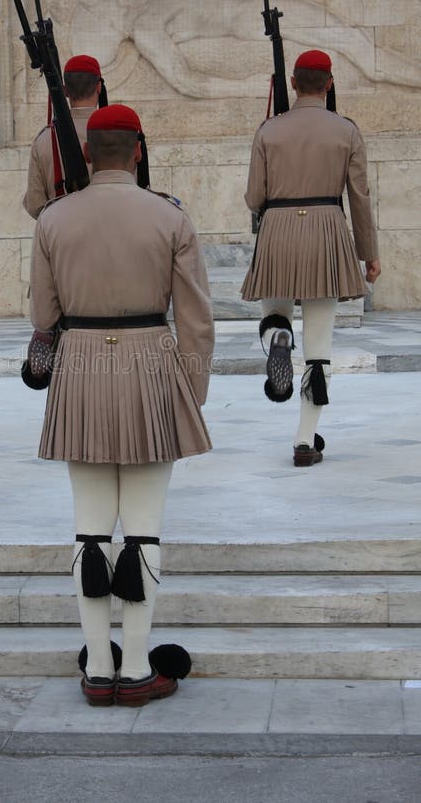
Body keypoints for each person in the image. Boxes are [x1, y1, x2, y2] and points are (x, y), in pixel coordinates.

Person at [29, 104, 214, 706]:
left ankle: (97, 667)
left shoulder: (54, 219)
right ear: (136, 151)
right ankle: (136, 670)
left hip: (81, 365)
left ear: (88, 154)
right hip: (149, 365)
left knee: (89, 529)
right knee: (143, 530)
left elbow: (42, 317)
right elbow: (196, 323)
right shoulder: (169, 216)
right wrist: (189, 394)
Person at [241, 49, 381, 467]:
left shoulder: (269, 131)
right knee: (319, 348)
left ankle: (277, 339)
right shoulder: (346, 131)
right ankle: (305, 441)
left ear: (293, 84)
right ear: (329, 84)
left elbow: (254, 197)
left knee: (275, 314)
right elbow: (359, 198)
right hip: (326, 231)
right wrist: (368, 253)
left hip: (279, 229)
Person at [23, 54, 104, 219]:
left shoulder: (45, 139)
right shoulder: (117, 132)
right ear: (99, 87)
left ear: (65, 90)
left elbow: (35, 204)